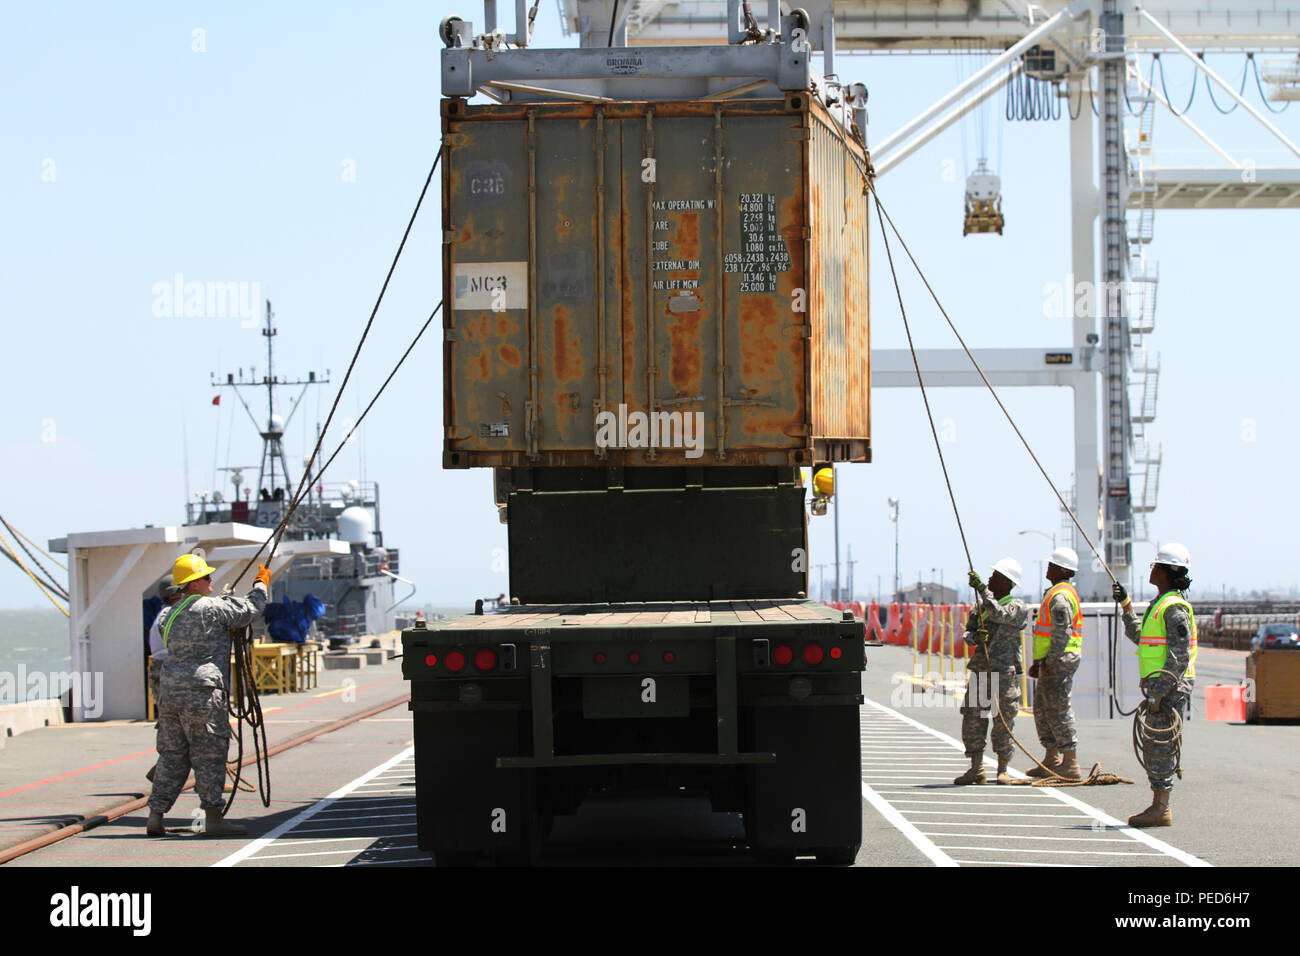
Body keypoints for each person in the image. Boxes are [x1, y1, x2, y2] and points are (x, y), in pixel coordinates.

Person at [146, 552, 270, 838]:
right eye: (205, 577)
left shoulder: (169, 614)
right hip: (203, 692)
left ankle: (156, 815)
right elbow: (250, 610)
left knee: (172, 756)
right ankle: (213, 817)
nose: (210, 579)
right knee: (209, 754)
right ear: (192, 583)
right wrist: (261, 584)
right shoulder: (212, 609)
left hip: (171, 692)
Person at [1113, 543, 1197, 827]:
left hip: (1167, 689)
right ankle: (1158, 805)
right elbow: (1141, 637)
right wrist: (1126, 605)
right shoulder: (1159, 606)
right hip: (1158, 689)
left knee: (1161, 746)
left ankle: (1161, 808)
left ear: (1165, 572)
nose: (1152, 570)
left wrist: (1160, 692)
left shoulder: (1173, 609)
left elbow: (1180, 655)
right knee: (1154, 745)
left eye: (1155, 566)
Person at [955, 558, 1029, 785]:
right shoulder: (980, 607)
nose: (989, 579)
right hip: (981, 671)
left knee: (1004, 720)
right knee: (973, 719)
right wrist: (975, 637)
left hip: (1004, 673)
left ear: (1007, 582)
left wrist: (982, 591)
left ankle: (1002, 769)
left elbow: (1000, 615)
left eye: (995, 576)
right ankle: (976, 768)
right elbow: (968, 634)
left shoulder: (1017, 606)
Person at [1025, 546, 1084, 780]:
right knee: (1042, 708)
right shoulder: (1056, 592)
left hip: (1060, 659)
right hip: (1051, 659)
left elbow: (1062, 631)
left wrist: (1050, 660)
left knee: (1058, 708)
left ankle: (1070, 762)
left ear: (1060, 569)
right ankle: (1051, 758)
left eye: (1051, 565)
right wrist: (1039, 661)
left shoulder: (1060, 596)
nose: (1047, 568)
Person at [144, 578, 183, 782]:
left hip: (165, 670)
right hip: (170, 671)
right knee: (183, 726)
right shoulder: (171, 616)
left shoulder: (166, 614)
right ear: (177, 593)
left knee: (175, 724)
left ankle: (161, 769)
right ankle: (162, 770)